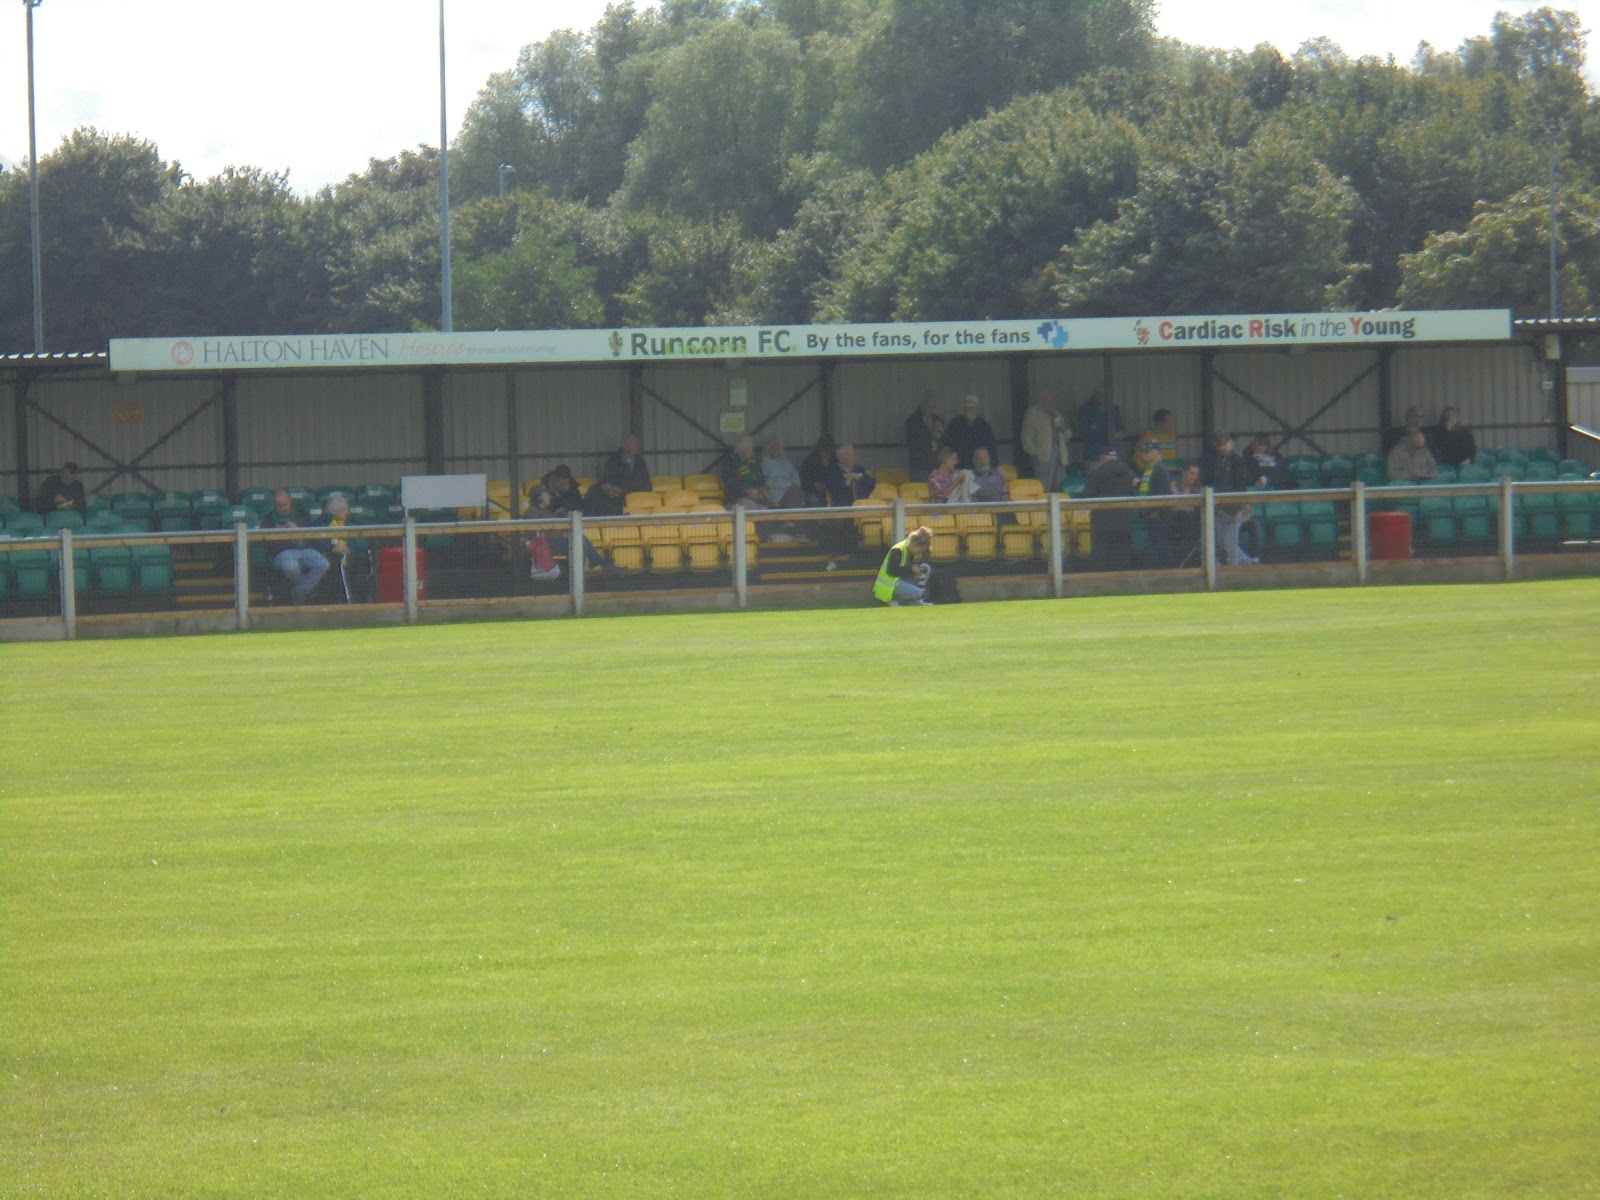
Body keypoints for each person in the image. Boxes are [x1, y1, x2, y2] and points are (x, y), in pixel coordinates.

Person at [260, 488, 329, 603]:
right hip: (283, 552)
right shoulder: (268, 518)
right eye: (279, 506)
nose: (283, 508)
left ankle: (299, 590)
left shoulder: (302, 514)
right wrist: (277, 533)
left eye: (285, 504)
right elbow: (264, 542)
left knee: (323, 564)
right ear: (275, 505)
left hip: (304, 549)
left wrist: (297, 531)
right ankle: (304, 591)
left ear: (290, 502)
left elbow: (312, 536)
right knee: (291, 568)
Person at [1201, 432, 1257, 566]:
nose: (1222, 447)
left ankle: (1235, 570)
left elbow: (1240, 485)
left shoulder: (1237, 460)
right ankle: (1249, 563)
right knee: (1222, 543)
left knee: (1230, 544)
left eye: (1225, 444)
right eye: (1220, 444)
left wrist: (1240, 506)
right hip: (1218, 507)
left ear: (1231, 444)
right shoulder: (1215, 460)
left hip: (1232, 506)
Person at [527, 483, 606, 577]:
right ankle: (591, 568)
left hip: (552, 541)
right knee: (579, 540)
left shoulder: (543, 510)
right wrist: (561, 535)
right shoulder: (531, 513)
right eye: (546, 495)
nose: (549, 497)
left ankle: (579, 574)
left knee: (580, 542)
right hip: (545, 544)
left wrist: (557, 515)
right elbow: (538, 534)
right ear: (539, 497)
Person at [1081, 446, 1137, 572]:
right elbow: (1134, 494)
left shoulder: (1097, 473)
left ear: (1102, 458)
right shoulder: (1129, 473)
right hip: (1124, 522)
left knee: (1101, 556)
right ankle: (1123, 584)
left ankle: (1101, 585)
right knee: (1122, 555)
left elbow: (1086, 496)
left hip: (1102, 523)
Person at [1132, 438, 1175, 568]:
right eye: (1143, 452)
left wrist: (1154, 511)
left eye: (1148, 451)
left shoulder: (1160, 470)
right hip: (1151, 513)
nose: (1144, 454)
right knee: (1161, 545)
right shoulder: (1148, 469)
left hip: (1158, 515)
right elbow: (1148, 489)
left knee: (1154, 545)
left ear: (1157, 452)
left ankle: (1148, 572)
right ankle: (1173, 571)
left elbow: (1162, 494)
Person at [872, 525, 934, 606]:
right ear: (915, 544)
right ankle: (893, 599)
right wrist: (911, 569)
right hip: (889, 586)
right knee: (918, 593)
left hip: (899, 581)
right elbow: (892, 571)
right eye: (921, 550)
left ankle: (915, 601)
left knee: (926, 567)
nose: (920, 553)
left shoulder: (910, 550)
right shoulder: (898, 549)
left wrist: (915, 568)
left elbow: (905, 569)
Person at [1020, 391, 1069, 491]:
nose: (1053, 402)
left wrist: (1064, 429)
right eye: (1051, 399)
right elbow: (1026, 437)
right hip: (1043, 455)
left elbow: (1068, 435)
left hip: (1060, 454)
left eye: (1055, 399)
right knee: (1044, 487)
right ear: (1043, 399)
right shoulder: (1033, 413)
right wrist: (1036, 453)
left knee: (1060, 487)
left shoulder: (1057, 414)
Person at [941, 395, 998, 470]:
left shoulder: (984, 426)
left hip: (979, 470)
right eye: (966, 408)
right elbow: (946, 446)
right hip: (958, 469)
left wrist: (992, 468)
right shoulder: (955, 424)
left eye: (972, 408)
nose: (969, 411)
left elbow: (992, 451)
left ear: (977, 409)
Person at [720, 436, 768, 509]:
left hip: (757, 498)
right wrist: (746, 491)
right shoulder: (731, 463)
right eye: (747, 448)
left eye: (751, 448)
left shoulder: (754, 464)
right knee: (746, 504)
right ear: (741, 449)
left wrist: (758, 490)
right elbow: (730, 484)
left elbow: (762, 481)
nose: (750, 450)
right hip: (737, 499)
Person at [904, 392, 943, 480]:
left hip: (936, 462)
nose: (931, 410)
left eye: (933, 407)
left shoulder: (938, 420)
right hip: (920, 465)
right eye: (929, 406)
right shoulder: (912, 421)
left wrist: (941, 435)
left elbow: (944, 442)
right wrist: (931, 435)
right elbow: (913, 442)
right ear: (922, 405)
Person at [1074, 390, 1122, 462]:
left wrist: (1118, 435)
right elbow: (1082, 432)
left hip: (1112, 453)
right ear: (1095, 395)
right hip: (1093, 455)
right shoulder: (1086, 410)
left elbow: (1120, 431)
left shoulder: (1114, 409)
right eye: (1100, 395)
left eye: (1105, 395)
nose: (1103, 397)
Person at [799, 435, 836, 507]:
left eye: (828, 448)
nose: (825, 450)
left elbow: (837, 475)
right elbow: (802, 478)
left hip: (831, 490)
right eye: (823, 448)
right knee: (814, 501)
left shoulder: (834, 459)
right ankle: (818, 518)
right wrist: (814, 485)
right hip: (812, 490)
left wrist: (828, 485)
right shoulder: (810, 460)